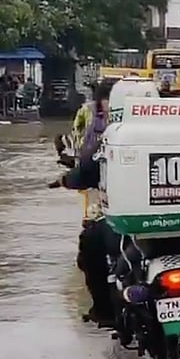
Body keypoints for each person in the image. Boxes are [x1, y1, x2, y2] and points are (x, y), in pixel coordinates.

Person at [49, 80, 118, 327]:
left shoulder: (112, 136)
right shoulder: (165, 126)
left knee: (90, 245)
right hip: (178, 220)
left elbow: (85, 165)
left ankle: (104, 309)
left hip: (121, 214)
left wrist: (68, 178)